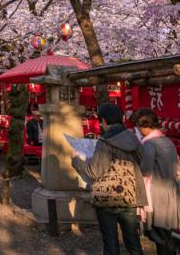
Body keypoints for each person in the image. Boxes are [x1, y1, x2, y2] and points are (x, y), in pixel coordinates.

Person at [73, 103, 147, 255]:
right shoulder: (134, 139)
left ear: (104, 121)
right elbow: (143, 163)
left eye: (101, 121)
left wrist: (76, 160)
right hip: (131, 195)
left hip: (108, 197)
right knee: (133, 241)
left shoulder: (105, 142)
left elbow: (93, 172)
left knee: (110, 242)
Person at [132, 107, 180, 255]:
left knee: (160, 237)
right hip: (170, 193)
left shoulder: (150, 144)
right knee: (166, 235)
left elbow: (146, 170)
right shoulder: (166, 140)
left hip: (157, 196)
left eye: (137, 126)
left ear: (142, 126)